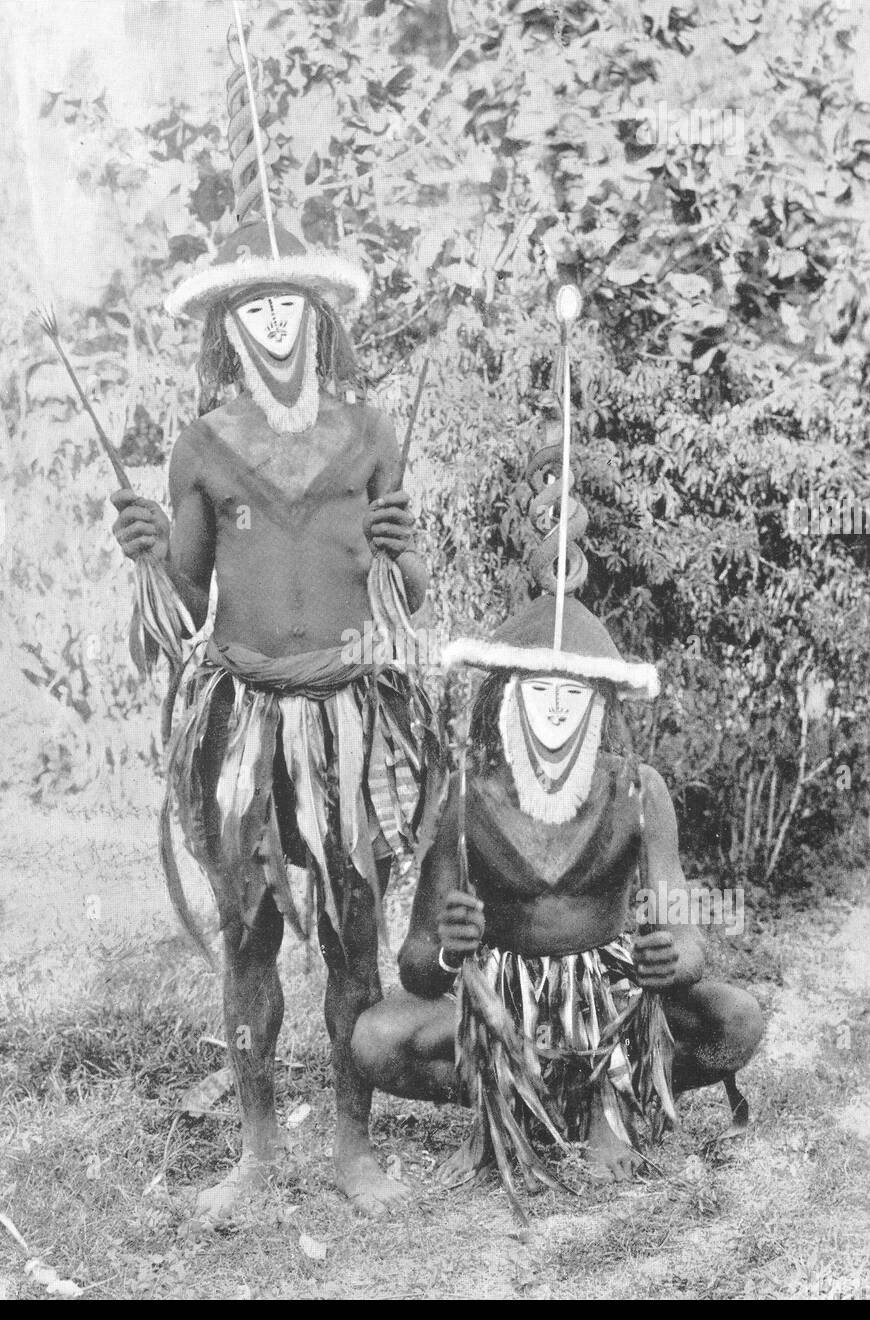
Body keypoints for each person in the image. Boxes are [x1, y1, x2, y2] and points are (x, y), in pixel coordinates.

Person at [113, 216, 442, 1219]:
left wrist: (406, 546)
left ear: (315, 314)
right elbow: (182, 603)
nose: (272, 320)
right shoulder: (202, 446)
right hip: (245, 724)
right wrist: (148, 552)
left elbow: (408, 591)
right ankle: (255, 1154)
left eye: (287, 302)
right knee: (247, 935)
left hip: (349, 721)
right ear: (227, 324)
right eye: (252, 305)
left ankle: (351, 1148)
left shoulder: (368, 433)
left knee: (353, 934)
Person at [353, 507, 763, 1191]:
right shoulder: (468, 799)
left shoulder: (640, 791)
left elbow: (685, 933)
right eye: (538, 691)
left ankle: (609, 1098)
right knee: (374, 1038)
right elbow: (420, 966)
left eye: (572, 692)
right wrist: (453, 950)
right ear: (507, 697)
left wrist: (677, 959)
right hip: (502, 1014)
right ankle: (513, 1095)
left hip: (612, 1011)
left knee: (736, 1020)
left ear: (597, 700)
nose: (554, 711)